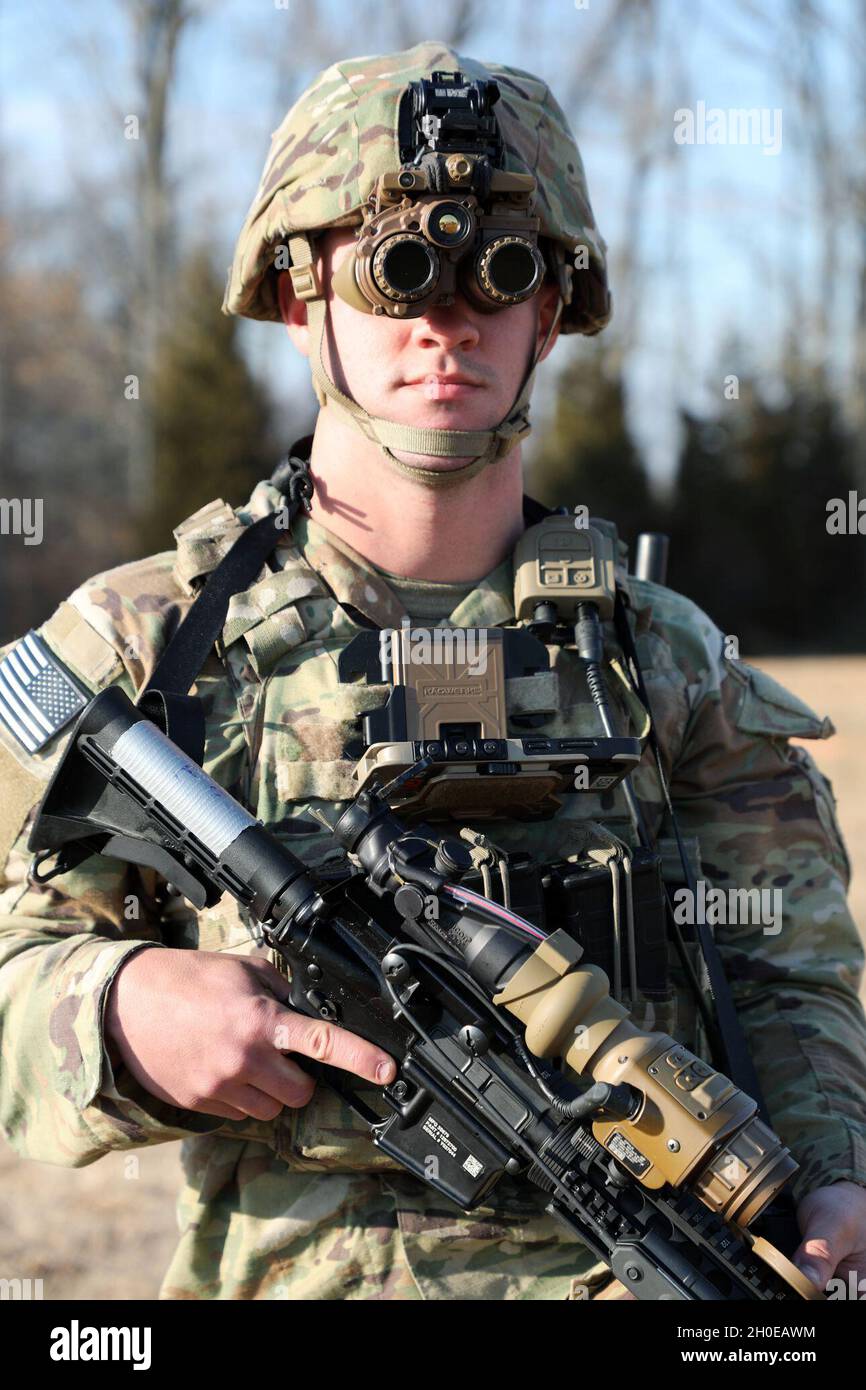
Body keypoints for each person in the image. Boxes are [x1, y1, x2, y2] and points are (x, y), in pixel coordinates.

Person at [1, 40, 865, 1303]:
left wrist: (835, 1177)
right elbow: (20, 972)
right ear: (301, 298)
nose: (442, 317)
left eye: (496, 271)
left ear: (551, 310)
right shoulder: (149, 645)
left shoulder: (668, 660)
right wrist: (125, 1007)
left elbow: (786, 966)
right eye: (392, 267)